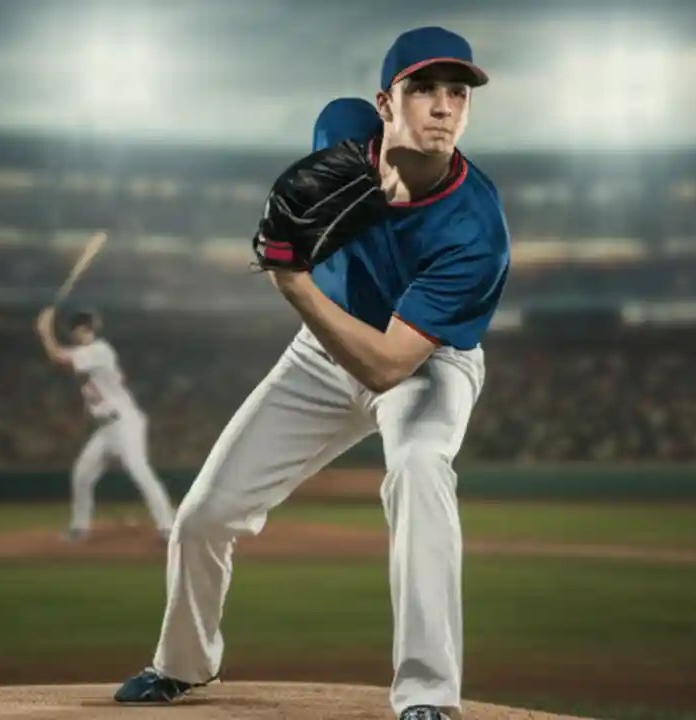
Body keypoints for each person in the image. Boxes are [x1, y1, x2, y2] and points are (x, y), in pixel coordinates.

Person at [114, 26, 510, 720]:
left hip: (426, 364)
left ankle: (427, 697)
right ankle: (183, 663)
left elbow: (388, 366)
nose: (444, 107)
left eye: (458, 93)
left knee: (419, 467)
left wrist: (289, 279)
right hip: (319, 356)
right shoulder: (340, 131)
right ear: (386, 103)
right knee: (204, 514)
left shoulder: (476, 228)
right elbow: (327, 158)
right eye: (423, 90)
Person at [34, 307, 176, 541]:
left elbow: (57, 357)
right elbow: (69, 363)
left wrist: (44, 332)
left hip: (124, 422)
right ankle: (79, 528)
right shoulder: (88, 354)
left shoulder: (99, 350)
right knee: (82, 474)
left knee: (140, 472)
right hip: (107, 428)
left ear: (84, 329)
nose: (73, 334)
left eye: (75, 330)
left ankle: (168, 527)